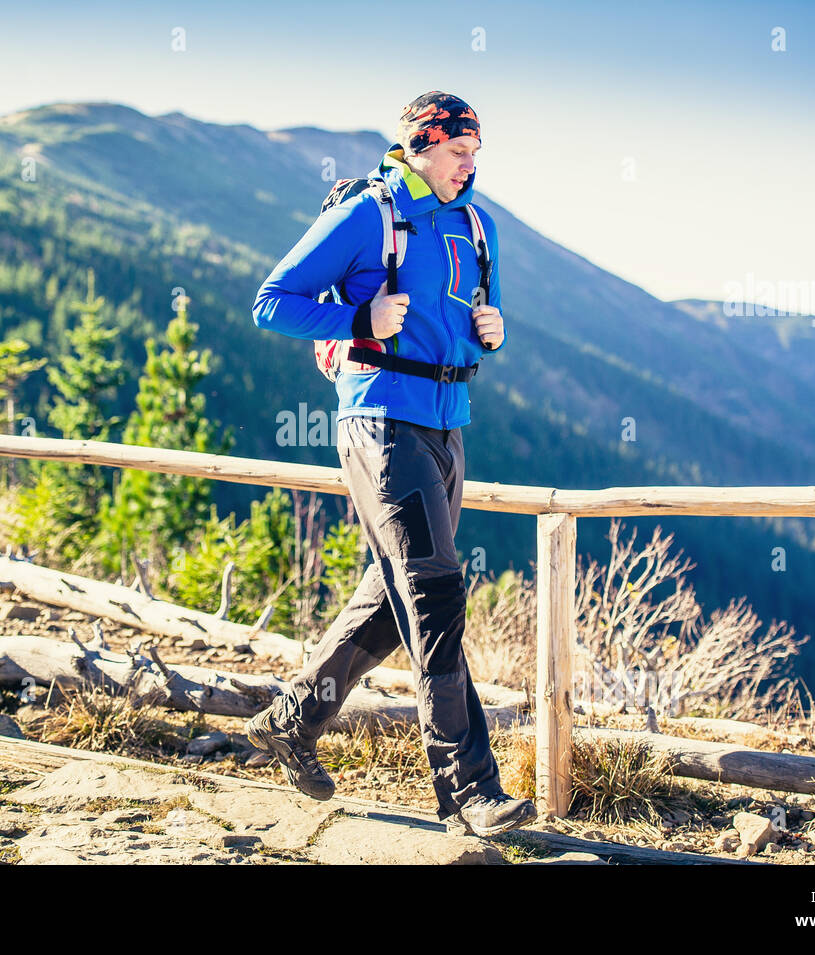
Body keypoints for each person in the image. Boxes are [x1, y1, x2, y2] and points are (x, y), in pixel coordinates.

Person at [247, 91, 536, 837]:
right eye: (458, 152)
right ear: (419, 145)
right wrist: (355, 319)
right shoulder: (367, 215)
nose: (470, 166)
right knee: (435, 595)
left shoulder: (478, 225)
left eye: (475, 154)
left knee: (390, 602)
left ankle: (290, 720)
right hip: (379, 420)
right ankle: (468, 789)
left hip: (448, 425)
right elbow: (271, 301)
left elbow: (476, 320)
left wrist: (491, 333)